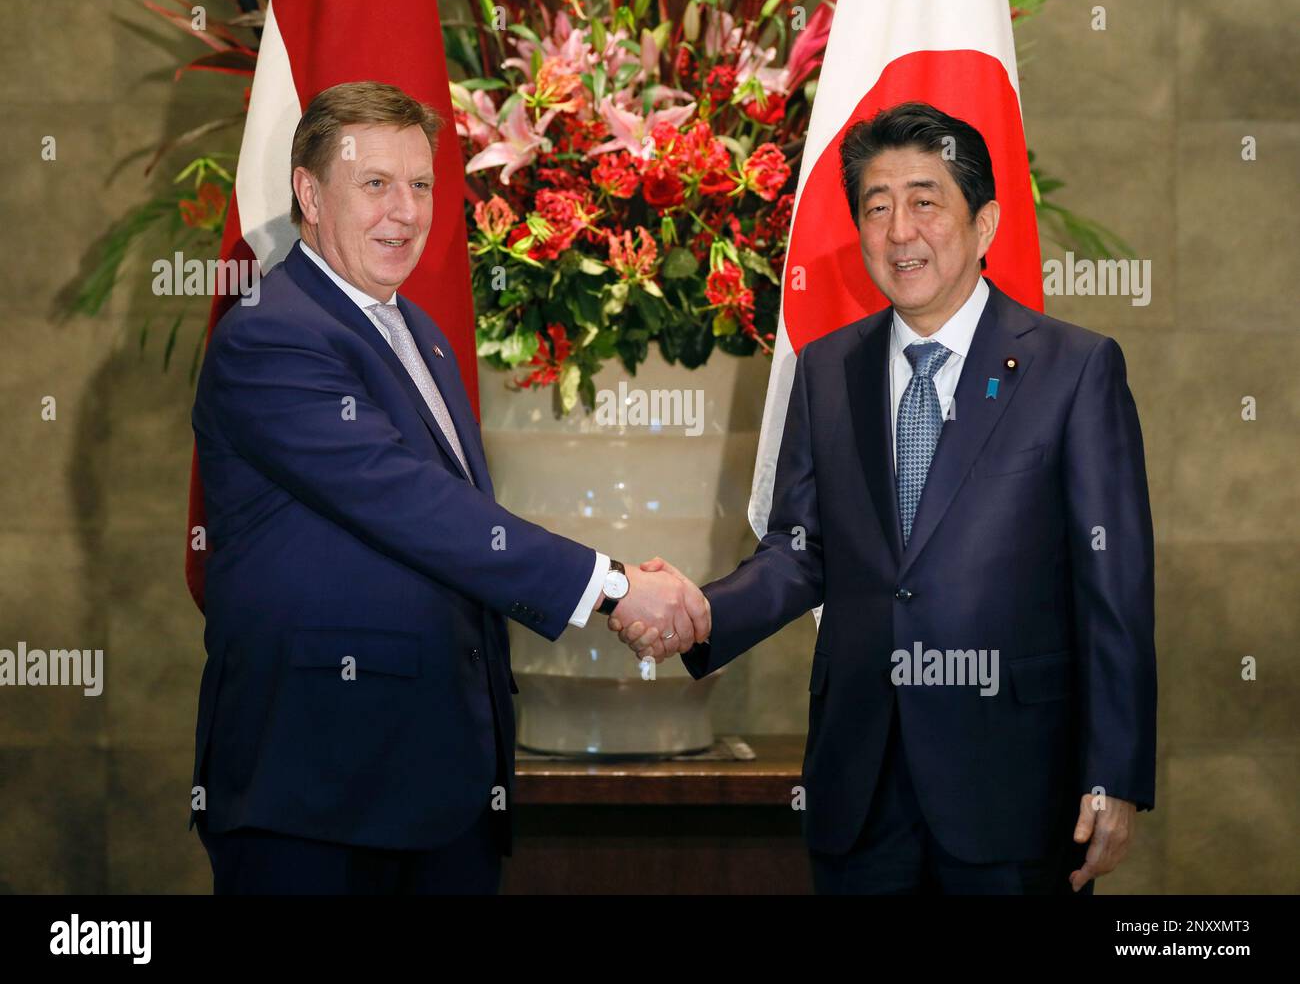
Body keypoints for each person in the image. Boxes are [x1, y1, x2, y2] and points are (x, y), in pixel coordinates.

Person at [612, 101, 1157, 895]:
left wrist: (1115, 769)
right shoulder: (829, 369)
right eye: (877, 206)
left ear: (987, 222)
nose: (901, 230)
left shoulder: (1073, 371)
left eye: (926, 201)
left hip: (1013, 787)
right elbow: (802, 552)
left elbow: (1116, 590)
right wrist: (701, 609)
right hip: (858, 786)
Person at [188, 80, 708, 895]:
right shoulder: (273, 333)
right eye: (374, 184)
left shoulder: (416, 334)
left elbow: (461, 528)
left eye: (421, 184)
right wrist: (612, 589)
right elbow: (414, 507)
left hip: (439, 788)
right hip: (318, 795)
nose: (405, 210)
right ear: (309, 193)